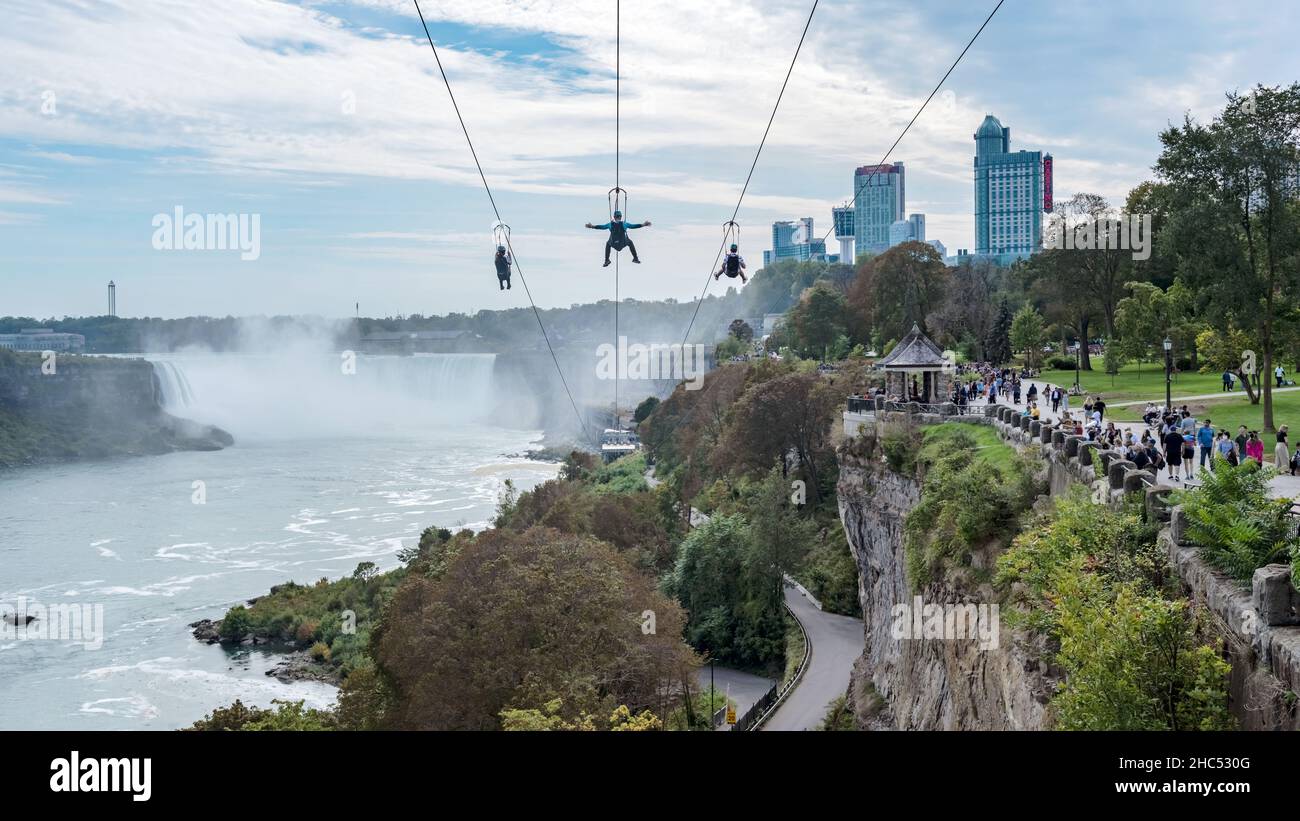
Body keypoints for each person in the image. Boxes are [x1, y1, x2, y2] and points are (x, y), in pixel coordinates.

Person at [586, 210, 650, 266]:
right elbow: (633, 226)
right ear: (620, 217)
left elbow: (602, 227)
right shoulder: (624, 224)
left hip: (614, 243)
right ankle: (635, 258)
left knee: (608, 244)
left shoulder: (610, 224)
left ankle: (607, 260)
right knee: (630, 242)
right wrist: (643, 224)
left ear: (614, 217)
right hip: (623, 243)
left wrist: (592, 226)